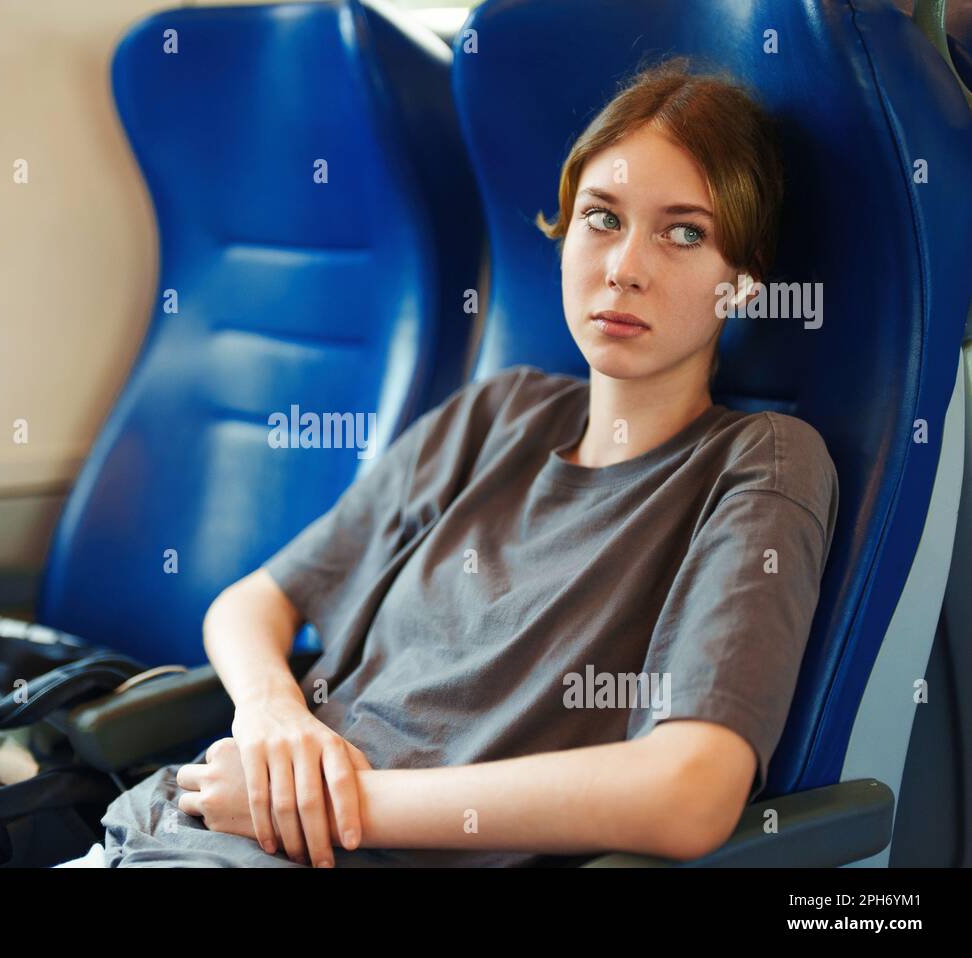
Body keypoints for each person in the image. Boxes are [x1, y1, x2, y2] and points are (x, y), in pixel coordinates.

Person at [56, 55, 839, 868]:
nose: (624, 268)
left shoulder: (762, 464)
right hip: (181, 828)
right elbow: (252, 603)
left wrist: (330, 804)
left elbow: (689, 792)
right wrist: (270, 717)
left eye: (685, 233)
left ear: (743, 285)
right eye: (603, 218)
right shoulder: (497, 414)